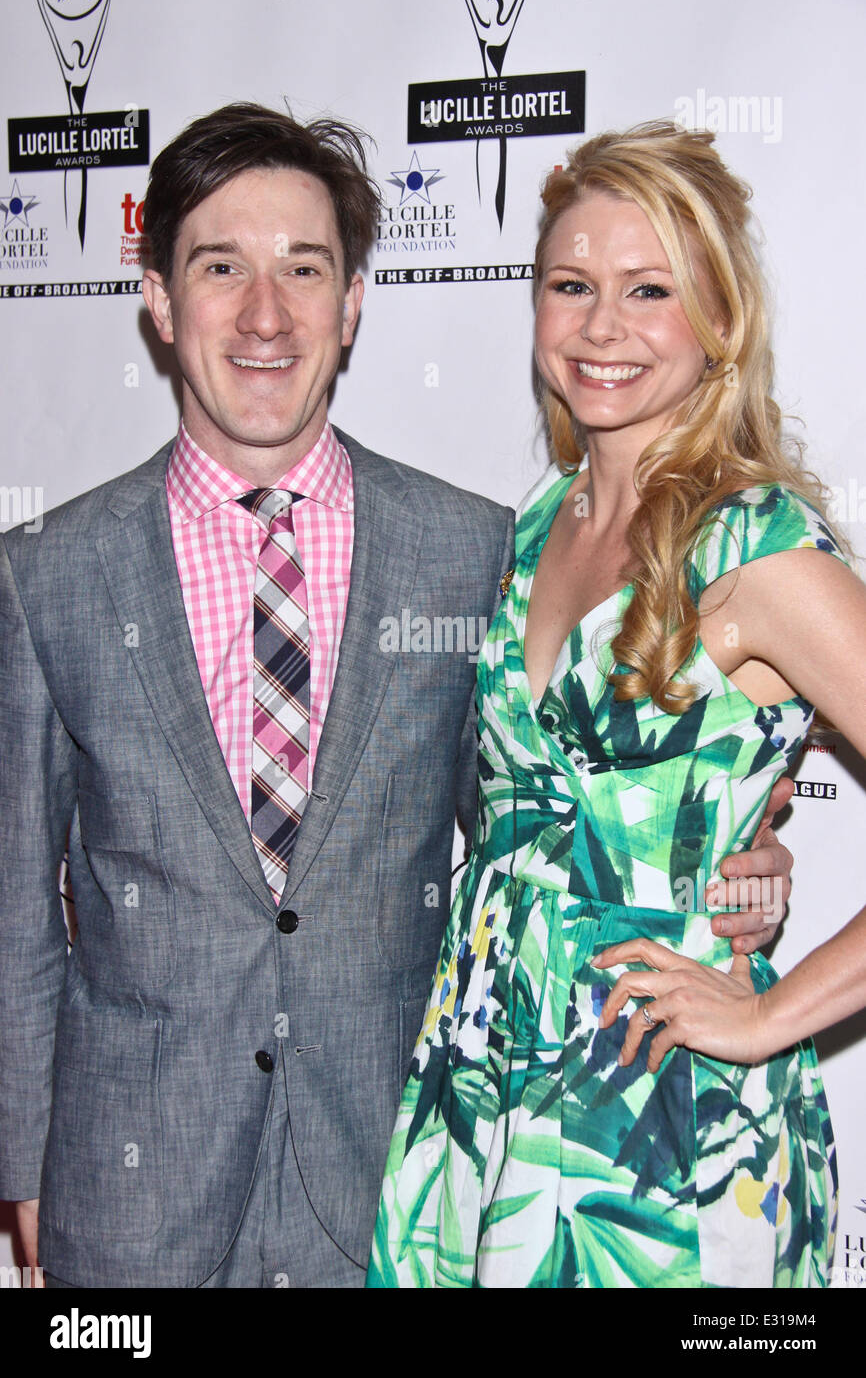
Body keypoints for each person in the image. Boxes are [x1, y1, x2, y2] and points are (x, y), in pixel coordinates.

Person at [0, 105, 790, 1291]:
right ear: (159, 300)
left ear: (353, 301)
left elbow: (556, 797)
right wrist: (22, 1165)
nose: (265, 315)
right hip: (127, 1192)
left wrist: (731, 853)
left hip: (401, 1182)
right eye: (220, 268)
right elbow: (15, 914)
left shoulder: (478, 552)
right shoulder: (46, 572)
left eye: (304, 270)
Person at [367, 121, 851, 1289]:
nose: (599, 328)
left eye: (649, 290)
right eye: (569, 286)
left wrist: (767, 1014)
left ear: (720, 321)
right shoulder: (531, 526)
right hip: (477, 1081)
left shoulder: (757, 549)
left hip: (654, 1124)